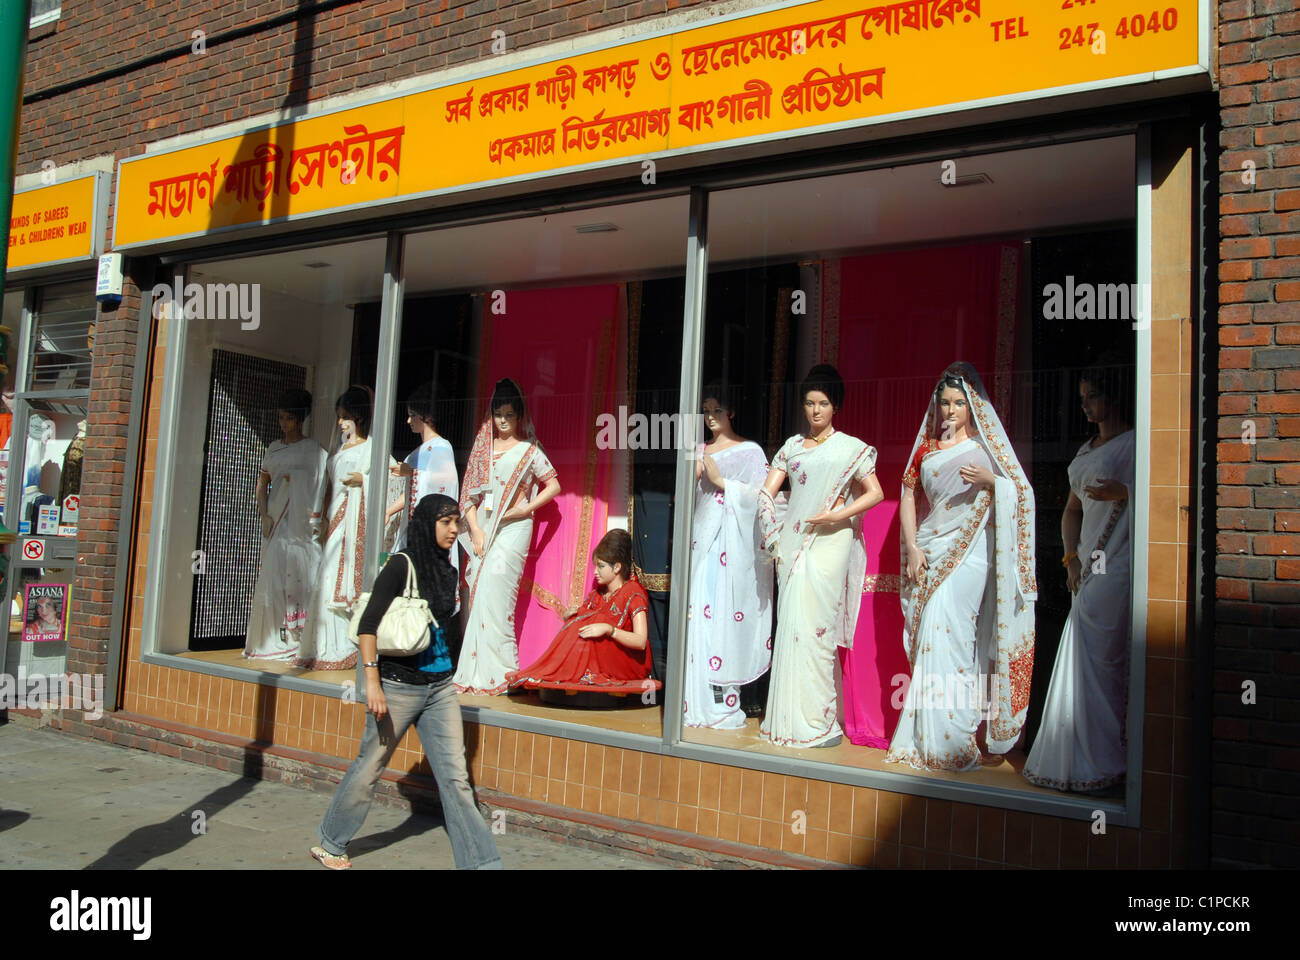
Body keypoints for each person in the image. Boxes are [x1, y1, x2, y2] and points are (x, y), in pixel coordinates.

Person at [312, 494, 502, 870]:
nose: (454, 529)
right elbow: (367, 626)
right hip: (397, 687)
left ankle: (482, 863)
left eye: (456, 522)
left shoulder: (448, 569)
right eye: (446, 522)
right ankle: (331, 842)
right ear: (427, 523)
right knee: (370, 767)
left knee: (456, 780)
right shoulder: (401, 565)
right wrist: (373, 684)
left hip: (440, 689)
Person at [885, 362, 1037, 772]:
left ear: (972, 407)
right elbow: (907, 493)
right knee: (931, 632)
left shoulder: (988, 450)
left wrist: (993, 482)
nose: (950, 410)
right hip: (932, 550)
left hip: (971, 555)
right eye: (945, 403)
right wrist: (913, 547)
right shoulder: (927, 450)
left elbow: (1022, 495)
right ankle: (928, 735)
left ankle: (954, 735)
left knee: (955, 632)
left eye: (958, 403)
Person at [757, 364, 883, 748]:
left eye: (823, 403)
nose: (815, 411)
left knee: (818, 631)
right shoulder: (791, 448)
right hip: (793, 546)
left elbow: (875, 492)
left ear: (836, 406)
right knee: (793, 628)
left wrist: (836, 515)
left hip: (831, 543)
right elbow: (765, 494)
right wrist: (774, 538)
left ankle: (819, 721)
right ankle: (788, 721)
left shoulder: (851, 448)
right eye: (809, 403)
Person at [1024, 363, 1134, 791]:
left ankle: (1108, 759)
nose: (1085, 405)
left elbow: (1167, 494)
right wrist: (1069, 558)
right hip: (1086, 570)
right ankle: (1076, 759)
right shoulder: (1087, 451)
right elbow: (1071, 510)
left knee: (1106, 661)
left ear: (1113, 396)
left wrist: (1126, 492)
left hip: (1119, 566)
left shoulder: (1136, 444)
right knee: (1083, 658)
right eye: (1083, 397)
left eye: (1092, 396)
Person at [453, 378, 561, 695]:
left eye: (509, 415)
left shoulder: (528, 451)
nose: (503, 421)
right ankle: (475, 672)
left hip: (515, 530)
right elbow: (468, 499)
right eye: (498, 414)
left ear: (519, 416)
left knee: (498, 598)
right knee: (481, 596)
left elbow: (553, 486)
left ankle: (502, 673)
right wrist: (474, 531)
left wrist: (526, 507)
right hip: (485, 531)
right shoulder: (483, 452)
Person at [683, 384, 773, 729]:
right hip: (703, 543)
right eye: (706, 411)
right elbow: (688, 499)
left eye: (717, 410)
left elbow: (762, 499)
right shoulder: (698, 450)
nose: (710, 417)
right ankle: (697, 701)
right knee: (700, 615)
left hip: (731, 549)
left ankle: (724, 701)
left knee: (723, 614)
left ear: (731, 413)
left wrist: (722, 482)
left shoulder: (749, 452)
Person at [297, 386, 404, 671]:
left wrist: (365, 481)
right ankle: (324, 646)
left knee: (337, 580)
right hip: (335, 520)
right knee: (328, 579)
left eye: (345, 417)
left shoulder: (373, 449)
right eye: (339, 417)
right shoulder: (340, 449)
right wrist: (318, 515)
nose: (340, 423)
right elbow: (329, 485)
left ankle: (344, 647)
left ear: (358, 417)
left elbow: (396, 482)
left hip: (352, 526)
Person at [506, 528, 659, 696]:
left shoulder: (633, 592)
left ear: (617, 567)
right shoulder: (597, 594)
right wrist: (572, 616)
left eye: (601, 566)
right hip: (603, 656)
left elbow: (640, 641)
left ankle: (551, 674)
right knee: (584, 623)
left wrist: (610, 630)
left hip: (629, 662)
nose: (595, 572)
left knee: (592, 629)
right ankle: (548, 673)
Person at [245, 388, 327, 662]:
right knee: (274, 578)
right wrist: (264, 514)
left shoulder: (313, 450)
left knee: (303, 577)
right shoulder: (273, 448)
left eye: (289, 418)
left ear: (300, 419)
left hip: (302, 528)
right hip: (277, 524)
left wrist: (320, 516)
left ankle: (299, 638)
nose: (284, 423)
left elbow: (324, 485)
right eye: (281, 418)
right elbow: (262, 484)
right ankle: (272, 637)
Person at [387, 382, 458, 556]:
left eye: (413, 415)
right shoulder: (416, 454)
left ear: (426, 416)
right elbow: (411, 491)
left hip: (429, 528)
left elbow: (446, 482)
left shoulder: (441, 447)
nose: (408, 420)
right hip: (411, 525)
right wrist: (388, 511)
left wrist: (412, 472)